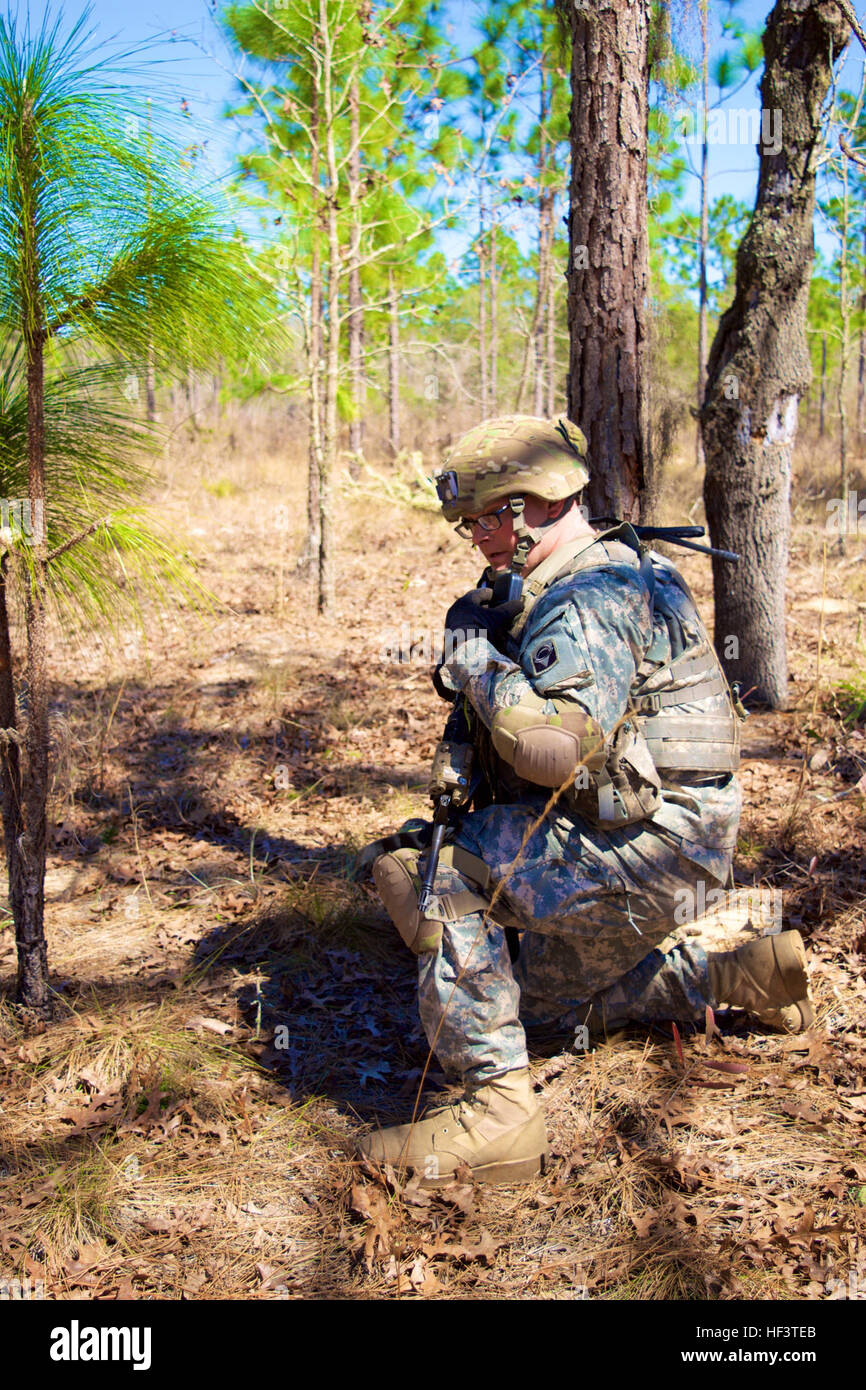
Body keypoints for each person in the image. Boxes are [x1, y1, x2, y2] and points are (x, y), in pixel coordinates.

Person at [359, 414, 813, 1186]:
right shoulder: (613, 568)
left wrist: (473, 659)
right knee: (522, 1006)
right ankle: (737, 975)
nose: (476, 538)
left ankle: (498, 1119)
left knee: (439, 875)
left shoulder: (588, 598)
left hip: (652, 848)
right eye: (467, 524)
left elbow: (552, 750)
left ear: (530, 502)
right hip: (674, 845)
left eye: (483, 520)